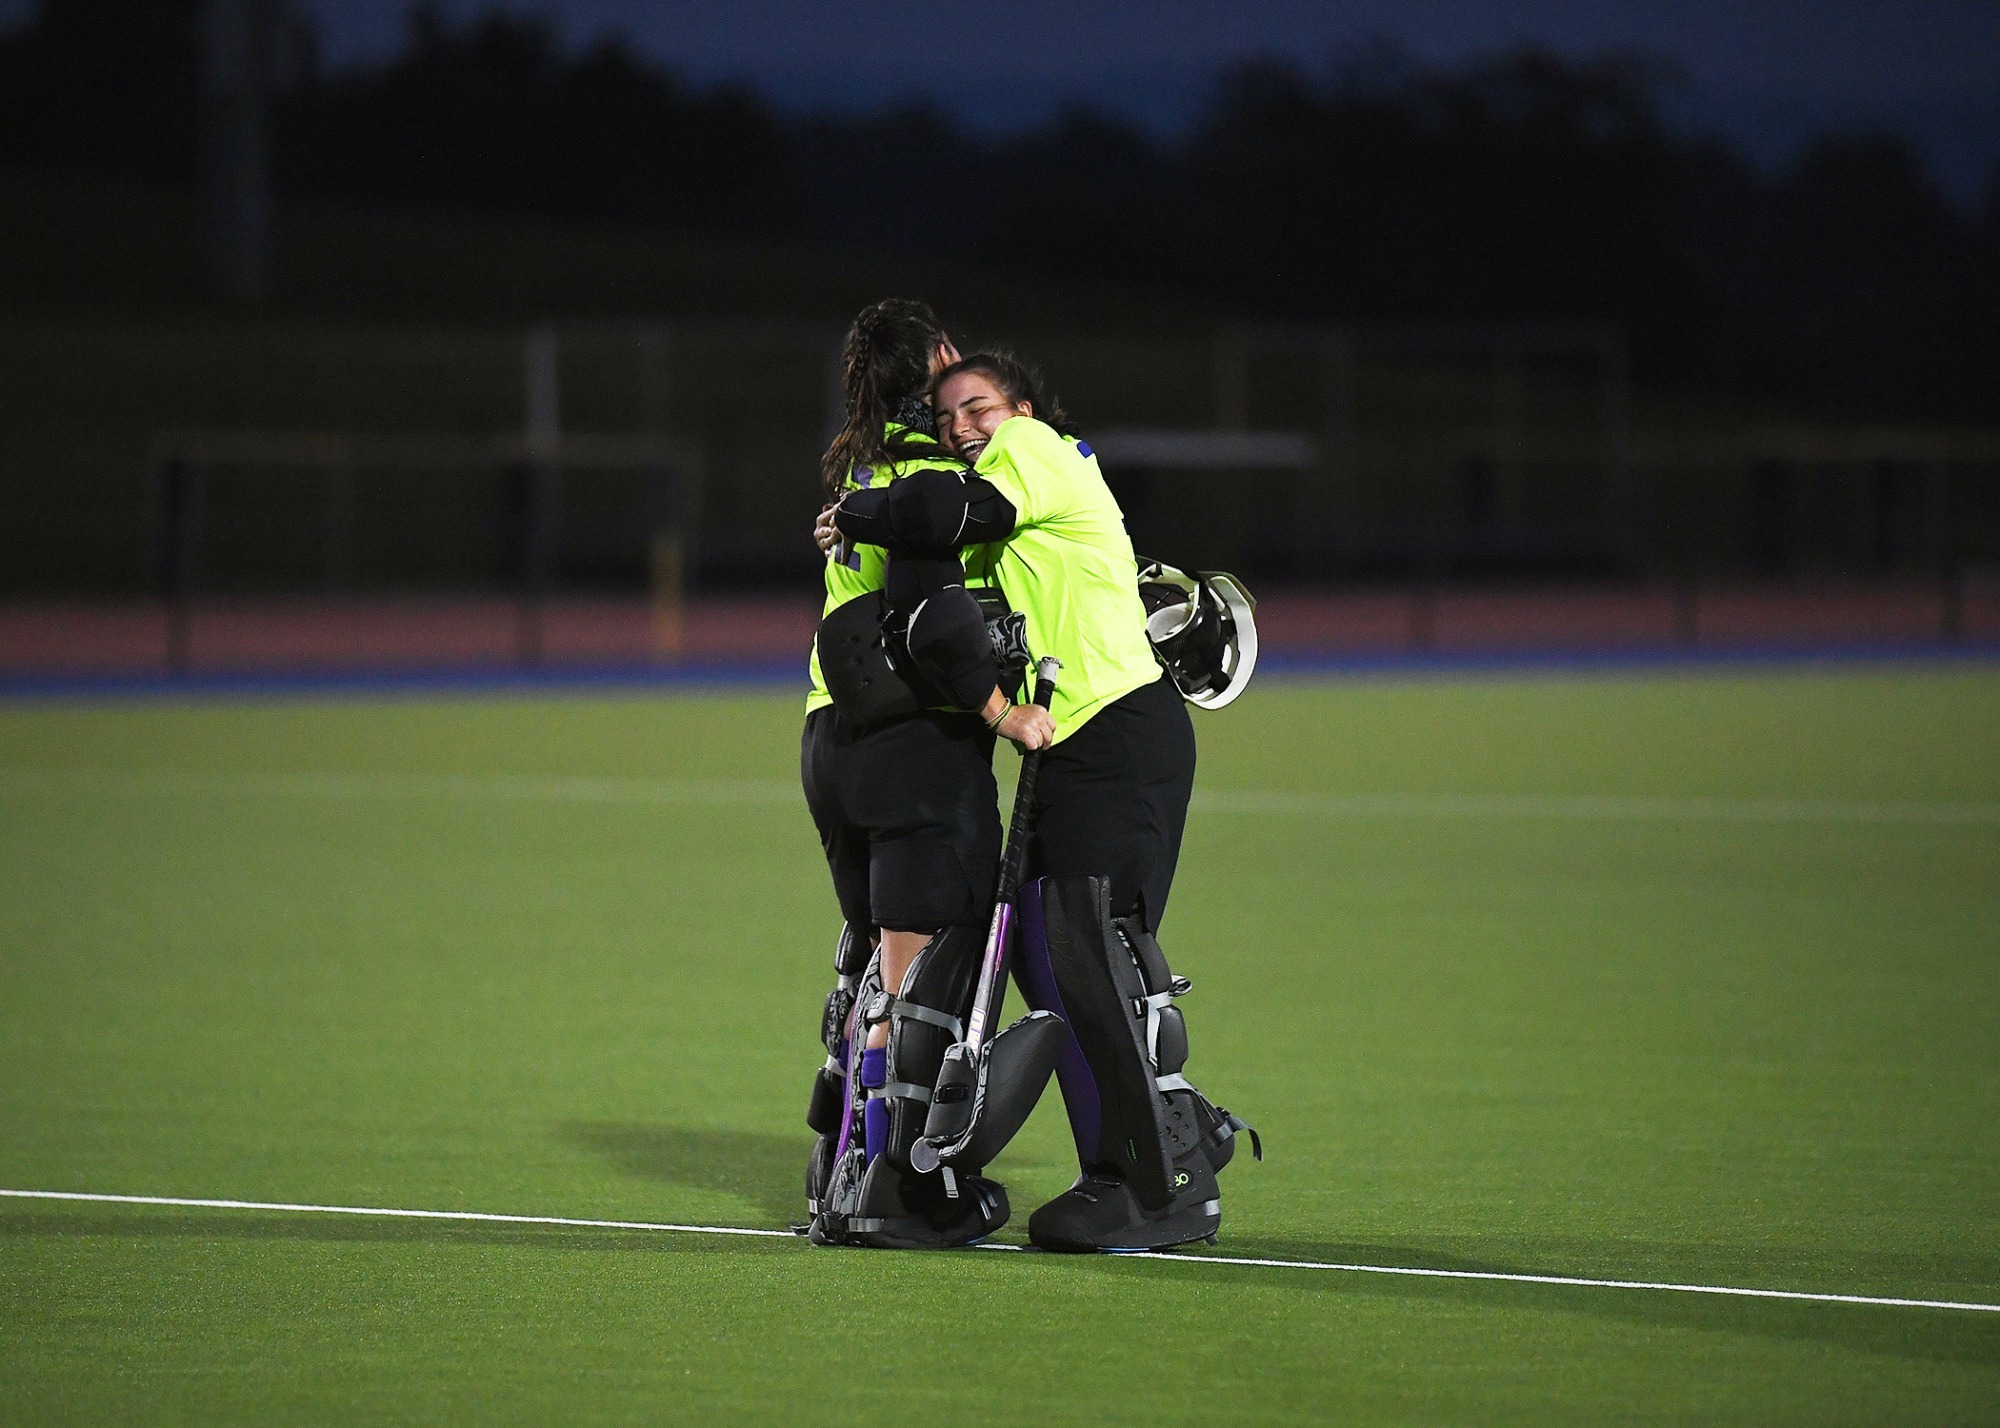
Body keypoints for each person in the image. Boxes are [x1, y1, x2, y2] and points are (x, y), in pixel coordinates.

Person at [826, 351, 1257, 1252]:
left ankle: (1163, 1183)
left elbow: (939, 512)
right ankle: (1144, 1151)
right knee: (1047, 950)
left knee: (1092, 942)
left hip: (1118, 727)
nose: (962, 427)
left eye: (977, 406)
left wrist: (856, 511)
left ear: (1019, 407)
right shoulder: (998, 497)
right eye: (949, 417)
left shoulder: (1034, 449)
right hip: (1064, 746)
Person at [797, 302, 1045, 1249]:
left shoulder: (857, 467)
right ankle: (898, 1187)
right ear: (940, 357)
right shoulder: (930, 476)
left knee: (870, 960)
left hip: (827, 737)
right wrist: (1001, 704)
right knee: (922, 969)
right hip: (910, 743)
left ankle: (837, 1163)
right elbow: (930, 617)